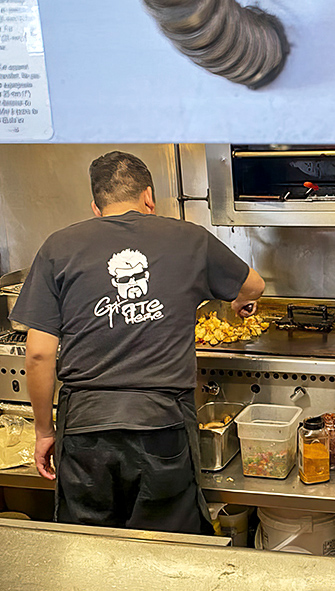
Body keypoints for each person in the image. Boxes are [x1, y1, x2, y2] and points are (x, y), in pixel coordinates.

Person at [10, 151, 264, 534]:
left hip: (84, 431)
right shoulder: (188, 238)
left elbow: (40, 352)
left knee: (90, 548)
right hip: (162, 427)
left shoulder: (57, 247)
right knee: (165, 549)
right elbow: (255, 284)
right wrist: (242, 300)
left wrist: (45, 431)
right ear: (149, 197)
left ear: (96, 207)